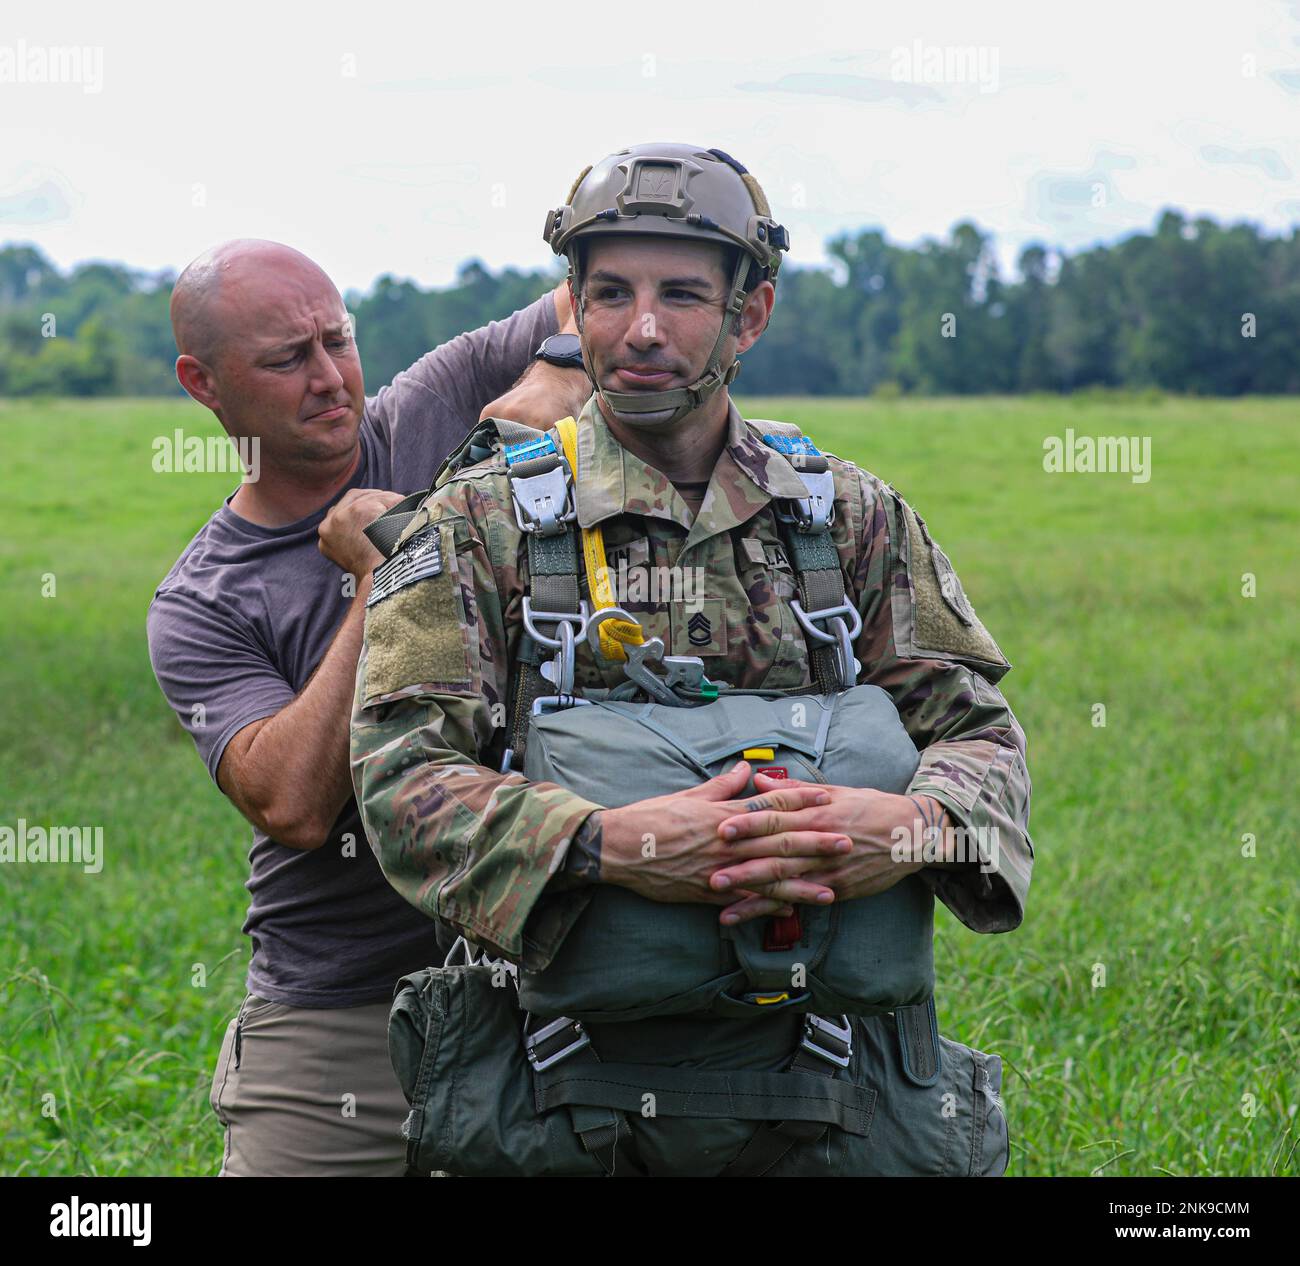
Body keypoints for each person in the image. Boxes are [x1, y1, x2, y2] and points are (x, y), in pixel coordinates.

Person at [351, 145, 1033, 1176]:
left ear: (747, 316)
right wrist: (608, 845)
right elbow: (399, 784)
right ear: (572, 308)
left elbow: (980, 739)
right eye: (610, 293)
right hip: (555, 1097)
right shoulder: (478, 524)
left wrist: (905, 828)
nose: (643, 330)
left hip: (832, 1098)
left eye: (682, 294)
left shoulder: (849, 518)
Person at [146, 238, 589, 1176]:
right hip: (339, 1012)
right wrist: (385, 573)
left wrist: (561, 366)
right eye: (286, 359)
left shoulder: (435, 402)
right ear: (204, 382)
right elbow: (293, 805)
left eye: (338, 340)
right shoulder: (202, 603)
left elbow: (613, 286)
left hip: (557, 976)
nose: (330, 378)